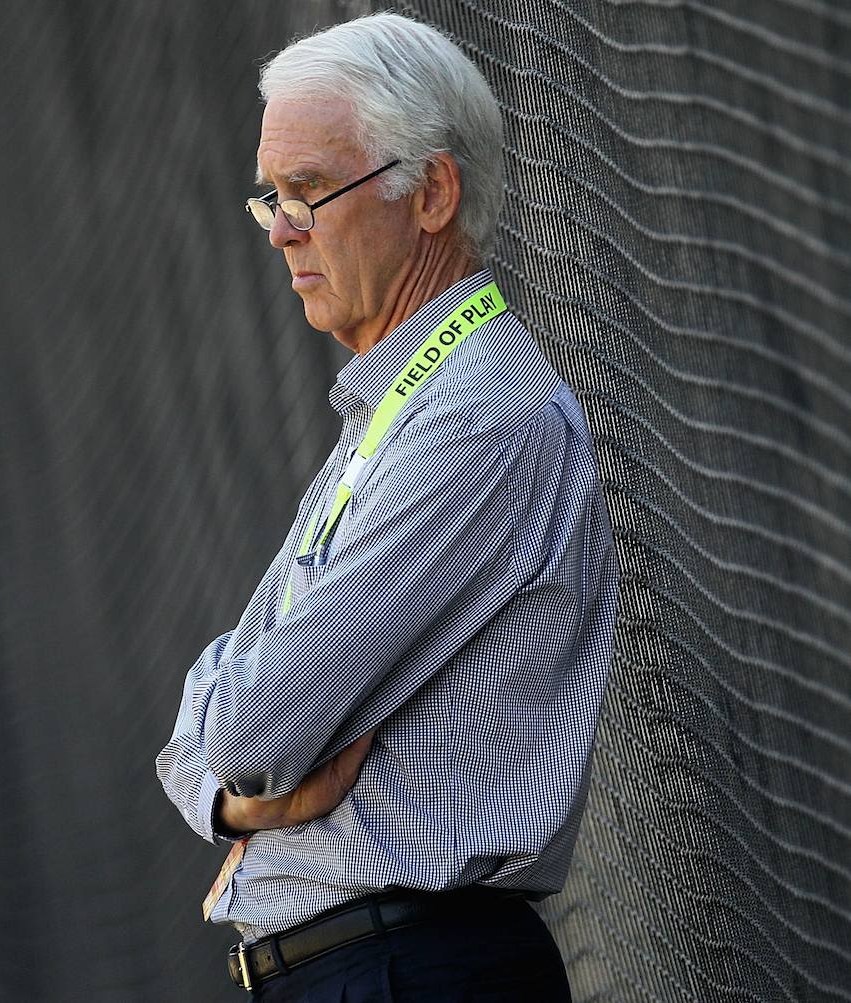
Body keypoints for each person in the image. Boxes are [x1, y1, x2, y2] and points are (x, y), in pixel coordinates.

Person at [157, 12, 618, 1000]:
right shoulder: (401, 408)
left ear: (433, 193)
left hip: (409, 968)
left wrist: (234, 758)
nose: (281, 228)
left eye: (312, 191)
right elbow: (224, 726)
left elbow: (246, 728)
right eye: (272, 197)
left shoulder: (474, 421)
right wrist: (244, 811)